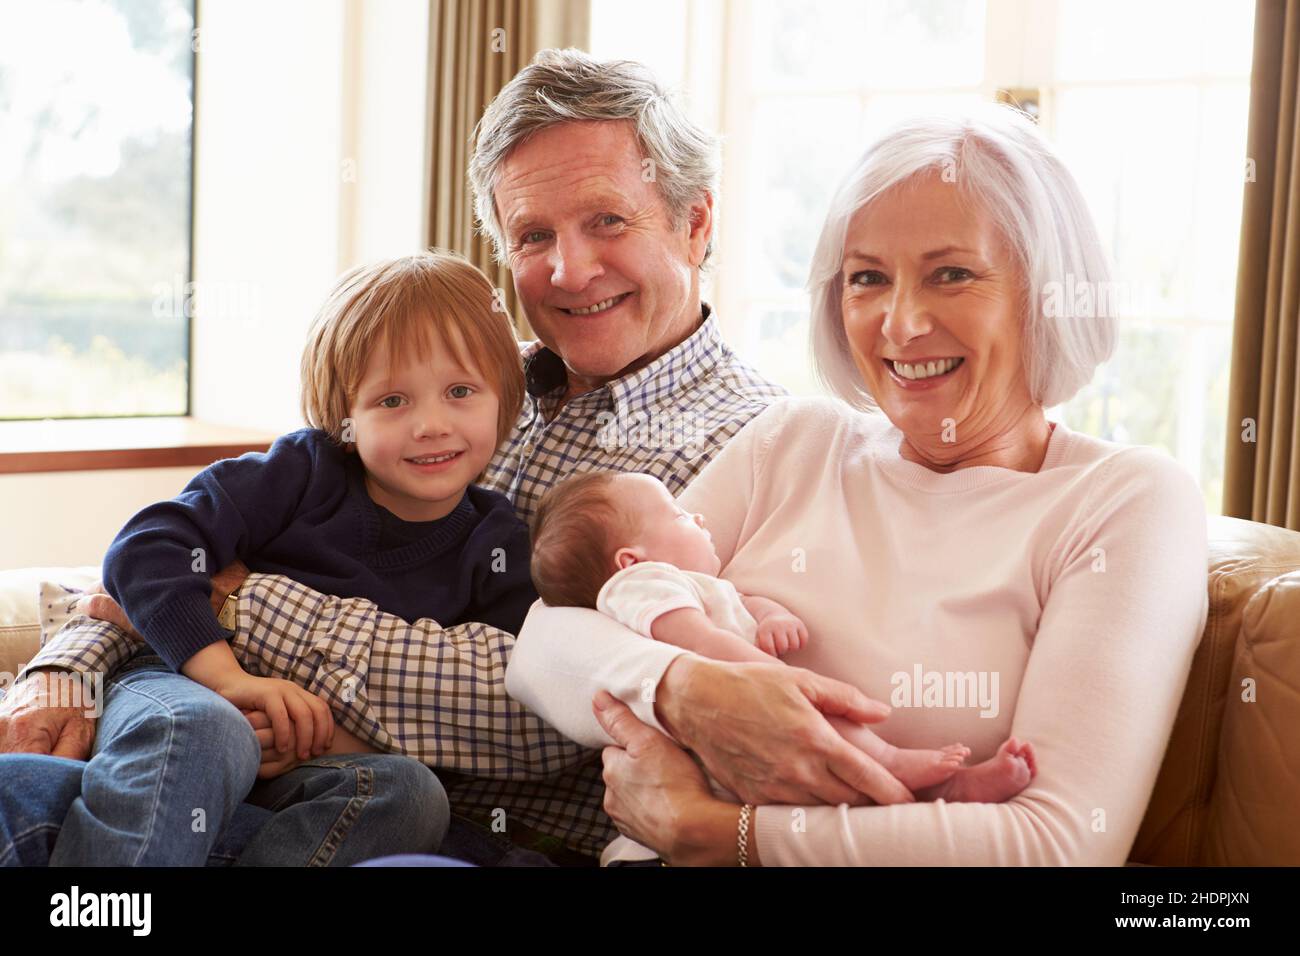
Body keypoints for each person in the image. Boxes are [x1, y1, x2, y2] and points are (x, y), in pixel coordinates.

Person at [0, 49, 787, 866]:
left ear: (695, 221)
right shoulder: (458, 379)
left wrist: (241, 612)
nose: (569, 269)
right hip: (253, 760)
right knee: (71, 786)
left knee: (56, 811)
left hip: (438, 827)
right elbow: (178, 546)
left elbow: (549, 696)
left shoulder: (761, 447)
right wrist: (65, 671)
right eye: (532, 235)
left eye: (608, 221)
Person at [504, 105, 1210, 866]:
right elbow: (546, 644)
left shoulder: (1127, 501)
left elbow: (1056, 845)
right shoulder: (794, 440)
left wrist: (723, 834)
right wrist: (686, 689)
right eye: (868, 278)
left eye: (952, 274)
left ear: (1047, 290)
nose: (900, 323)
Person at [1, 250, 538, 865]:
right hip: (180, 685)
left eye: (460, 391)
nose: (431, 424)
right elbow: (144, 549)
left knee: (410, 795)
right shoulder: (300, 472)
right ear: (345, 417)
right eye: (392, 401)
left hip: (315, 758)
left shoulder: (497, 542)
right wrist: (230, 681)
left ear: (506, 399)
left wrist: (314, 733)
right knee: (207, 729)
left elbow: (494, 702)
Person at [529, 468, 1037, 864]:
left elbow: (743, 604)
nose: (699, 518)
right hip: (676, 815)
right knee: (819, 724)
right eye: (679, 515)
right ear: (628, 561)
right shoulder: (640, 587)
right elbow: (697, 638)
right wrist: (771, 679)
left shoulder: (692, 584)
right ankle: (896, 763)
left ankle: (940, 789)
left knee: (816, 752)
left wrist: (772, 618)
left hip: (733, 807)